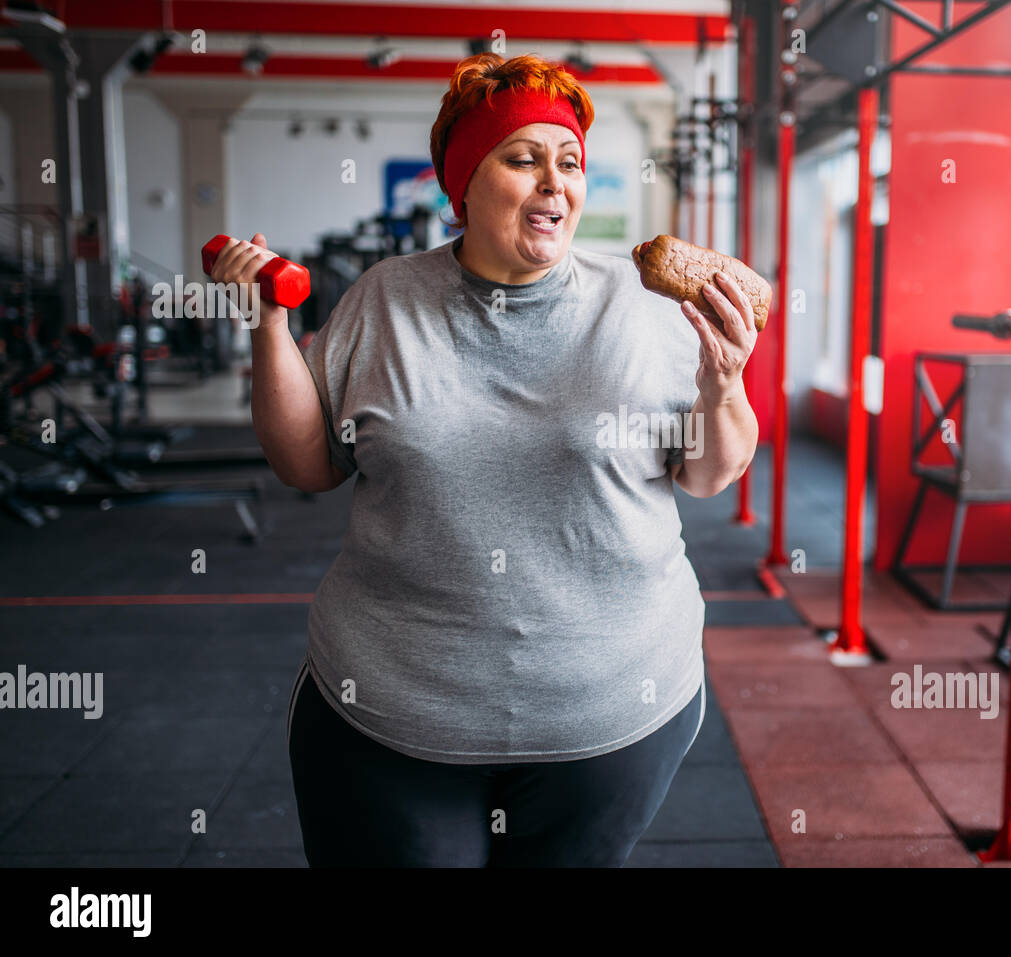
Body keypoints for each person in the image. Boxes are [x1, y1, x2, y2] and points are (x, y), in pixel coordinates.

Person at [207, 53, 760, 867]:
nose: (555, 183)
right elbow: (310, 462)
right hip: (392, 719)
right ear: (463, 185)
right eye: (523, 158)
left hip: (612, 715)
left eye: (569, 162)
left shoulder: (647, 306)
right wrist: (268, 328)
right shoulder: (385, 299)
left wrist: (723, 382)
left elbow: (711, 473)